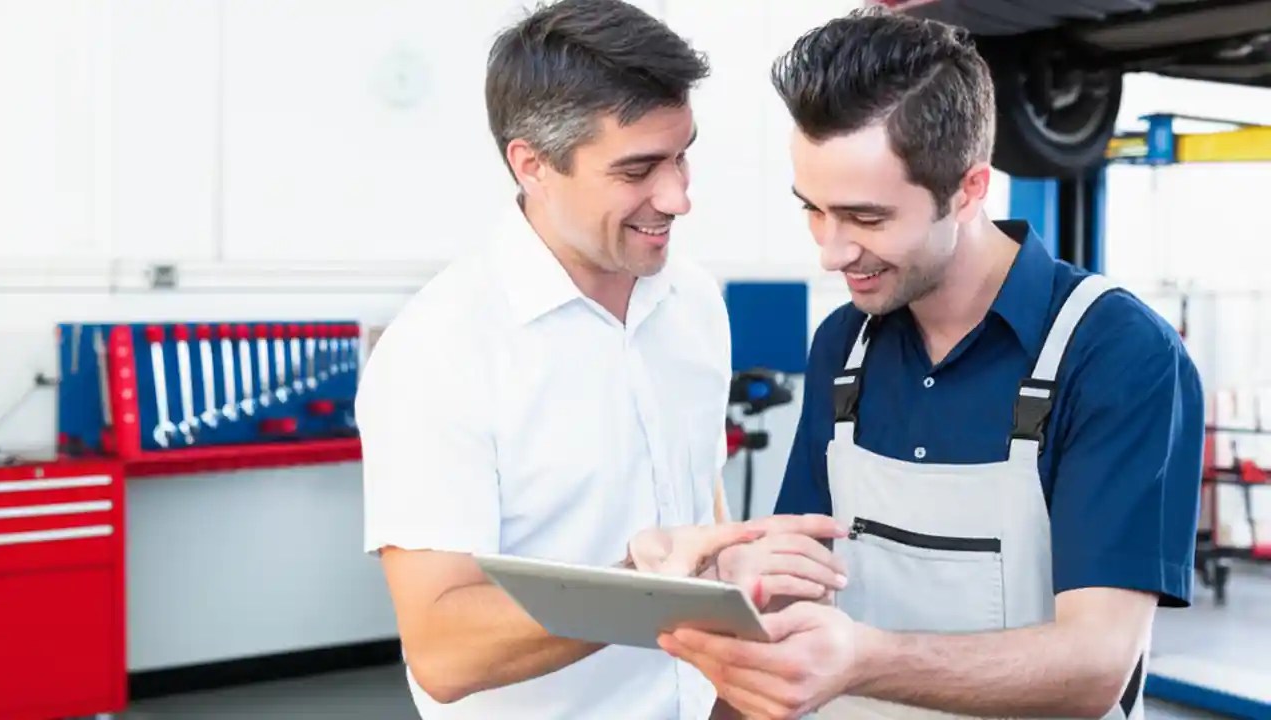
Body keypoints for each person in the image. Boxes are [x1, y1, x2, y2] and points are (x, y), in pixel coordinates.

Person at [658, 8, 1205, 720]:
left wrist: (865, 658)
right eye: (813, 210)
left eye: (867, 217)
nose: (831, 250)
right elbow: (792, 586)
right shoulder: (843, 348)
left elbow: (1096, 664)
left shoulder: (1116, 356)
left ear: (969, 189)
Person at [354, 1, 847, 718]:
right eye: (639, 168)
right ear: (533, 165)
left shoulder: (693, 302)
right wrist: (645, 589)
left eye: (682, 154)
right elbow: (442, 649)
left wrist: (725, 583)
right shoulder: (439, 349)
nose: (677, 196)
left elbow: (694, 512)